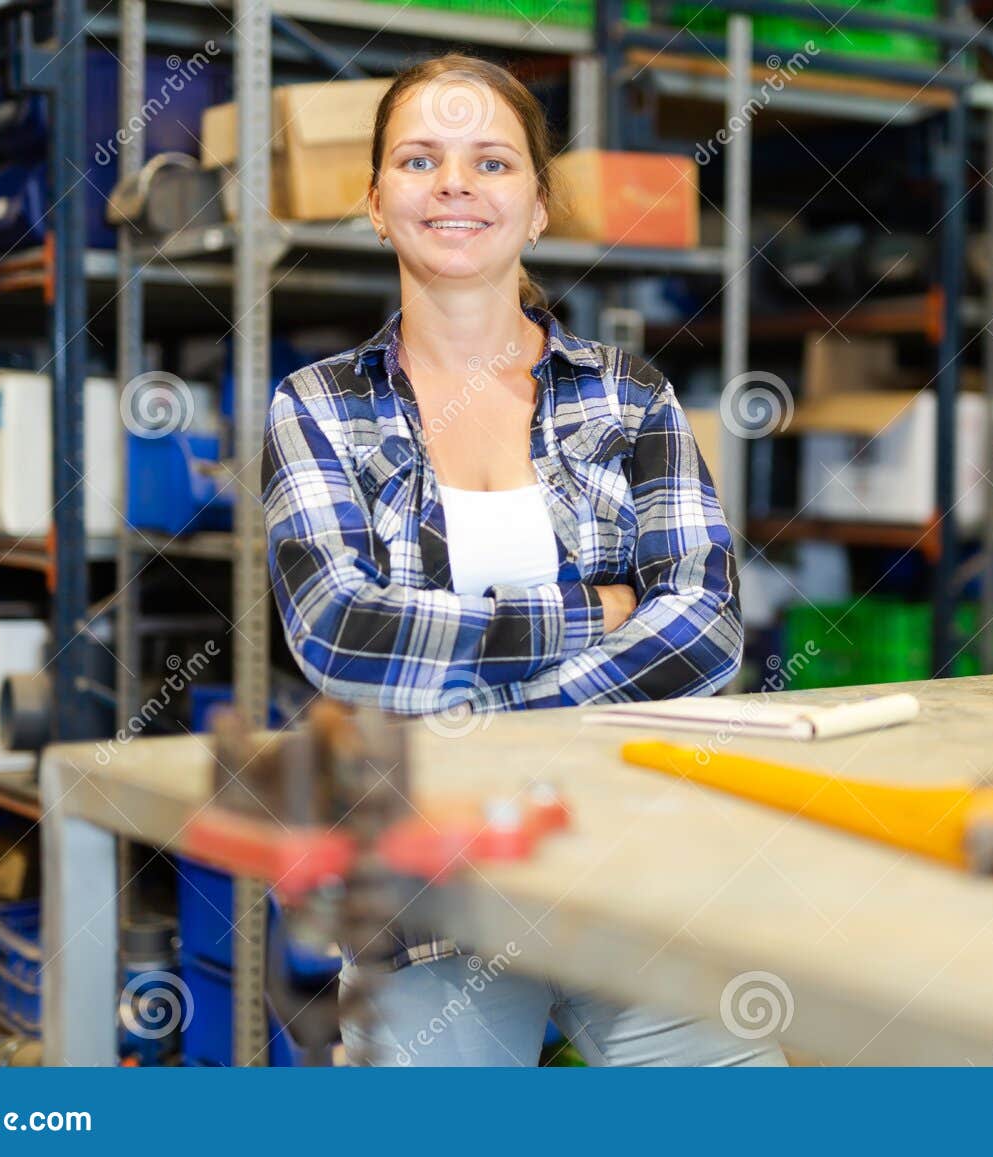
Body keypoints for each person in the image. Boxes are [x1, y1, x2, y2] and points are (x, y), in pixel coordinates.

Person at [262, 53, 782, 1067]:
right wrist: (599, 609)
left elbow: (706, 624)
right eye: (420, 158)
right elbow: (341, 634)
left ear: (538, 208)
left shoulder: (629, 397)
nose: (454, 182)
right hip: (423, 884)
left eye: (491, 161)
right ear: (375, 203)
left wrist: (478, 727)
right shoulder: (318, 404)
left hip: (629, 857)